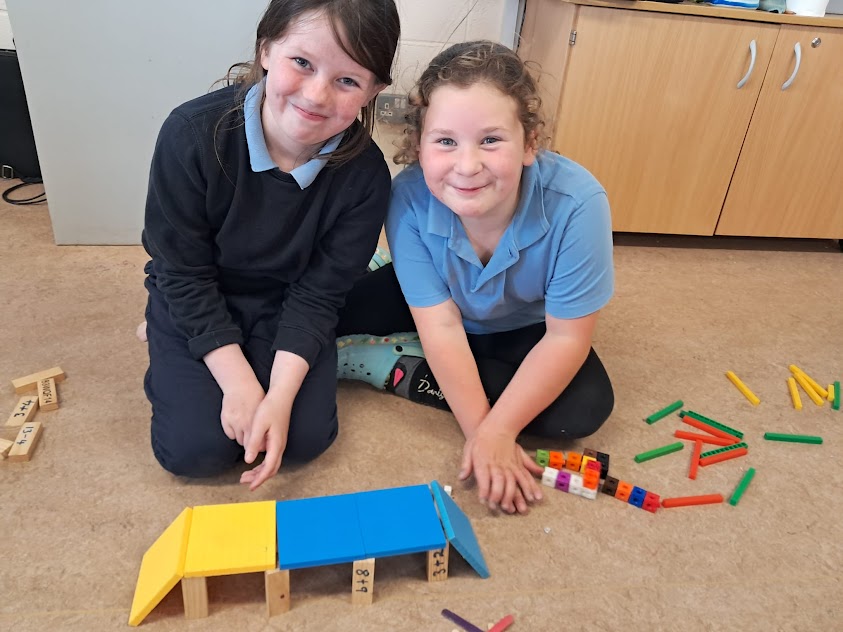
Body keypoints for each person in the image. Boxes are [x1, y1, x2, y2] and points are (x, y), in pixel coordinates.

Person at [336, 41, 615, 515]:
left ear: (529, 144)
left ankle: (397, 368)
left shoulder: (579, 203)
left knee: (581, 411)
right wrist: (487, 435)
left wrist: (497, 432)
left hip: (522, 325)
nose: (467, 166)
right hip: (435, 308)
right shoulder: (407, 197)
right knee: (329, 316)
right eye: (445, 141)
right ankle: (386, 280)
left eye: (490, 140)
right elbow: (440, 325)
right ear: (419, 145)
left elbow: (567, 338)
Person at [140, 0, 400, 490]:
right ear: (266, 48)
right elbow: (181, 269)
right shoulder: (190, 135)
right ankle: (161, 330)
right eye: (301, 63)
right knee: (195, 450)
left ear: (374, 91)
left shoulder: (365, 177)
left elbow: (320, 295)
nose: (317, 95)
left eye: (348, 81)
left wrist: (278, 396)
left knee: (305, 439)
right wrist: (239, 383)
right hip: (199, 290)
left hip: (285, 300)